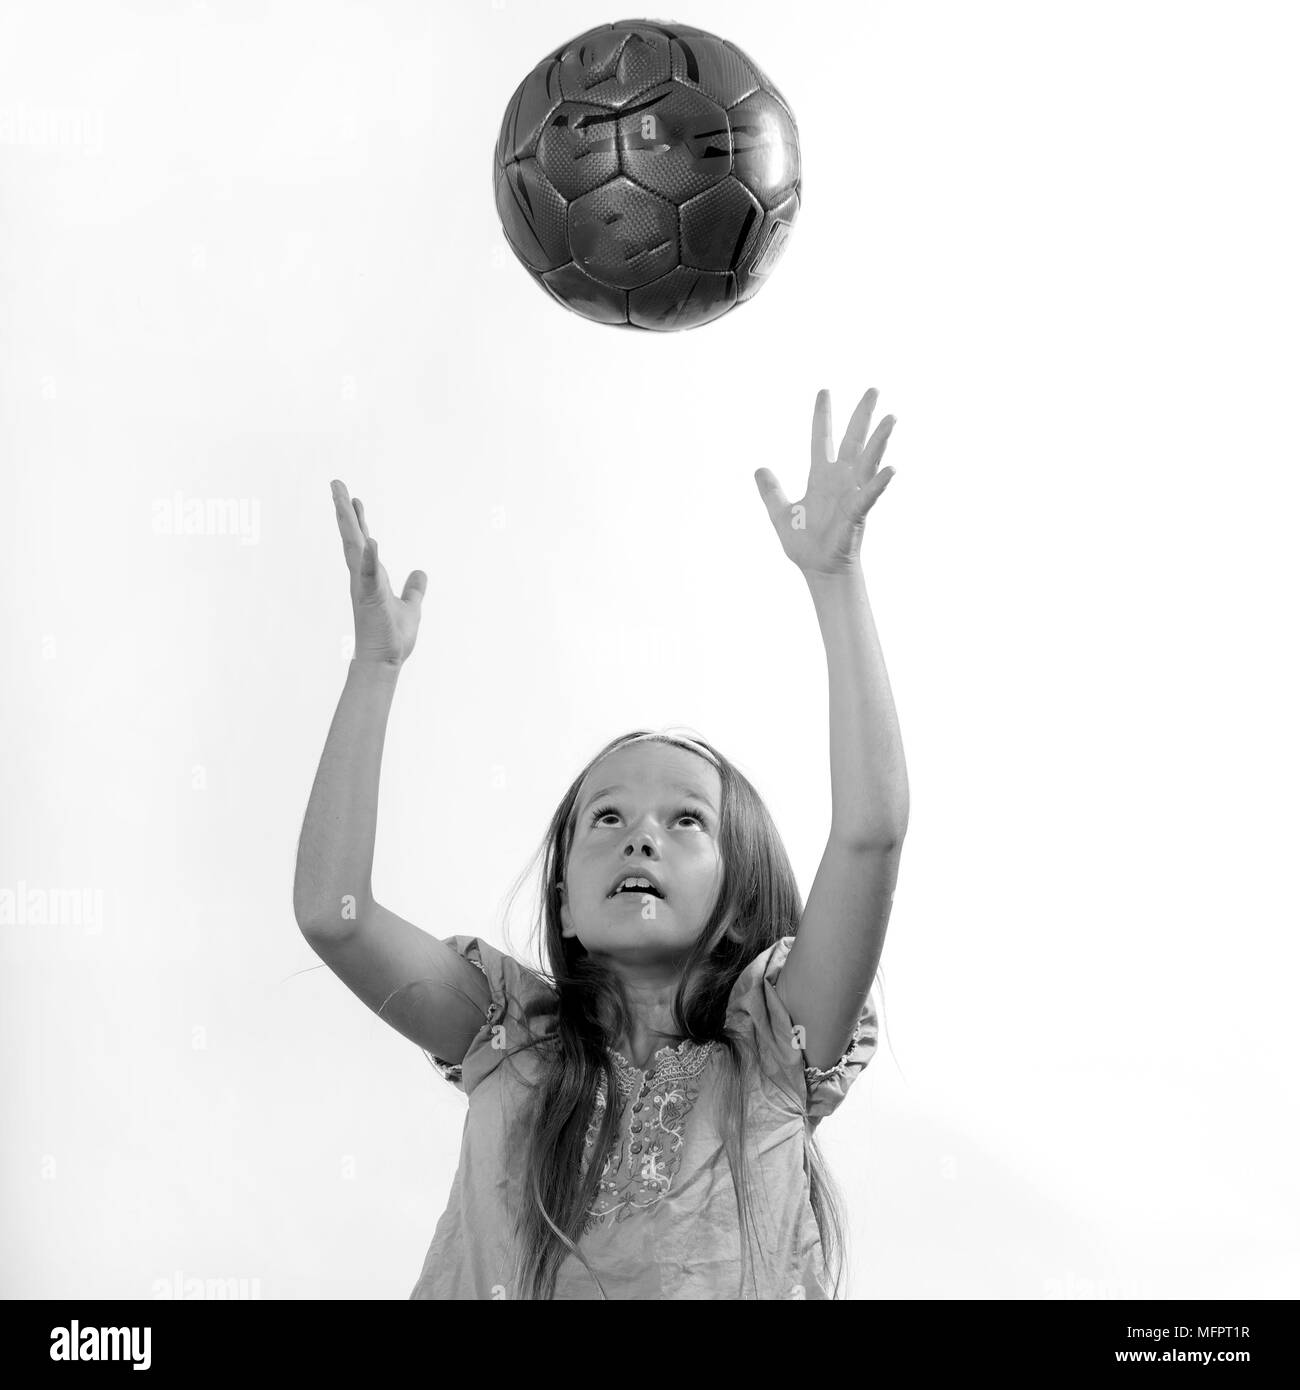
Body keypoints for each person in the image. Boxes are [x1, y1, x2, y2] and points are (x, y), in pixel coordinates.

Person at [293, 386, 907, 1299]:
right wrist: (375, 667)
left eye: (685, 819)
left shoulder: (776, 1049)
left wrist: (836, 581)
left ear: (739, 898)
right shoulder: (508, 1037)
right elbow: (333, 918)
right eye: (606, 819)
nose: (640, 838)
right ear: (566, 908)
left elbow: (870, 834)